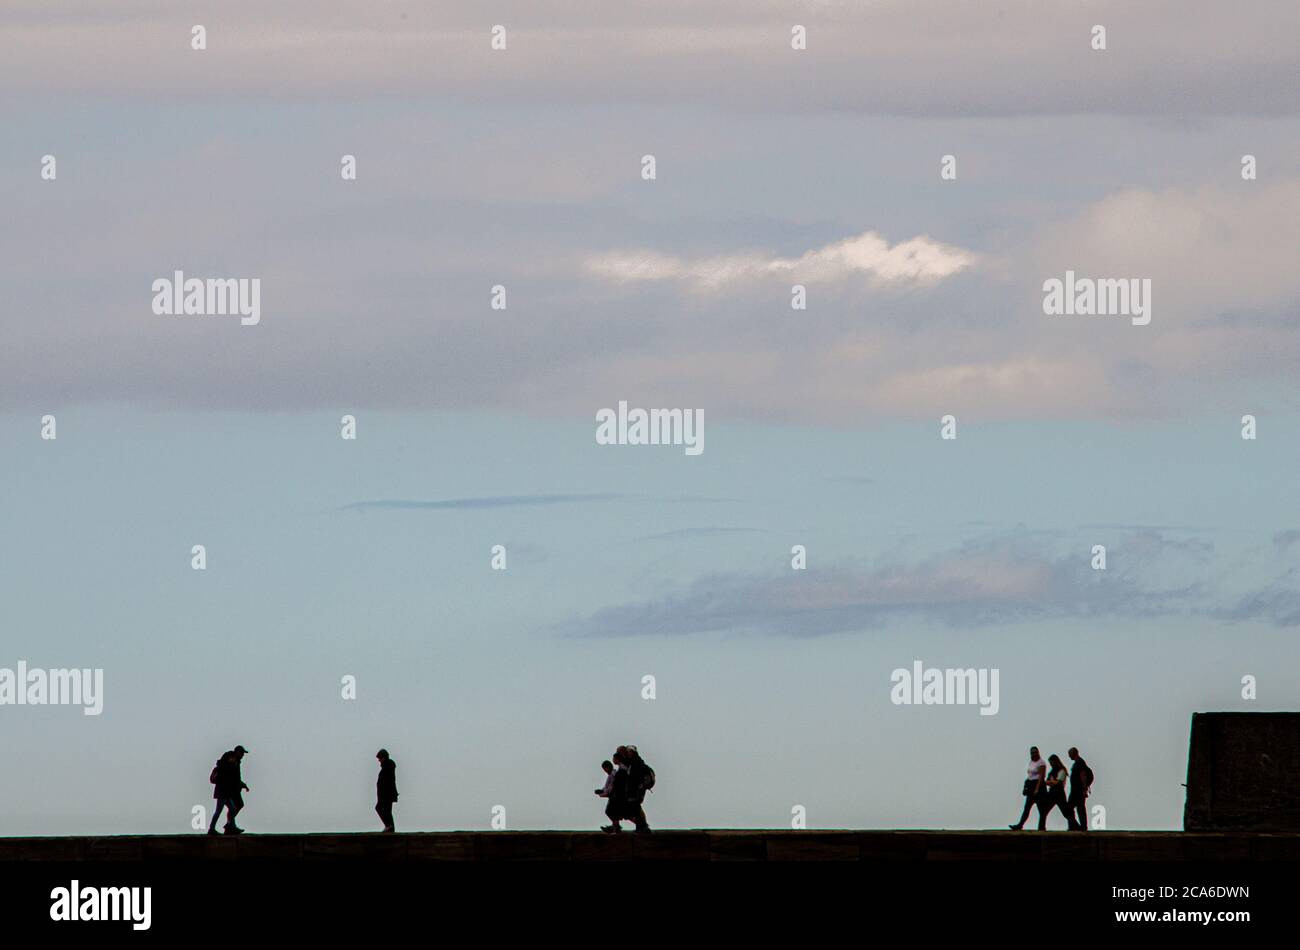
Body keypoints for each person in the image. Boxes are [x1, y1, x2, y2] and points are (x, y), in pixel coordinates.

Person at [208, 745, 250, 835]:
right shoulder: (228, 760)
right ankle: (212, 829)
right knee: (219, 810)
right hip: (222, 790)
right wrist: (230, 764)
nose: (243, 755)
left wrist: (243, 785)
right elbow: (224, 772)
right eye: (242, 753)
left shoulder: (236, 762)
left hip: (227, 791)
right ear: (237, 752)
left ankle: (231, 826)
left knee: (232, 808)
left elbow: (235, 778)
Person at [1009, 746, 1046, 830]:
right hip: (1030, 785)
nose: (1034, 754)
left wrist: (1037, 788)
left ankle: (1041, 827)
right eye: (1032, 753)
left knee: (1041, 809)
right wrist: (1025, 787)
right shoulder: (1031, 762)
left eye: (1035, 752)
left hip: (1038, 786)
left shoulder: (1041, 763)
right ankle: (1020, 825)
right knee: (1027, 808)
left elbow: (1041, 777)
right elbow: (1030, 775)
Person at [622, 745, 653, 833]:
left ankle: (643, 827)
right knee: (635, 807)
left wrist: (638, 787)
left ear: (633, 752)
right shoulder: (633, 762)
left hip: (637, 789)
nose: (628, 754)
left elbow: (635, 778)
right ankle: (641, 827)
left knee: (636, 807)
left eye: (629, 752)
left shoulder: (637, 763)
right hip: (636, 789)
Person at [1036, 754, 1070, 830]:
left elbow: (1057, 782)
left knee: (1066, 811)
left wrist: (1051, 781)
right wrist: (1051, 781)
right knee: (1044, 810)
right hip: (1052, 793)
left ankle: (1074, 825)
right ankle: (1041, 827)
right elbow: (1049, 781)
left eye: (1051, 762)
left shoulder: (1062, 770)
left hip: (1059, 793)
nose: (1051, 764)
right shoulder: (1054, 771)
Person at [600, 750, 629, 833]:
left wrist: (604, 792)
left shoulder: (616, 772)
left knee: (611, 811)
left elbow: (612, 785)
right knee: (614, 812)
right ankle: (615, 826)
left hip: (616, 795)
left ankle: (616, 827)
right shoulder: (615, 772)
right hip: (615, 794)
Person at [1066, 747, 1092, 831]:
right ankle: (1076, 826)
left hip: (1078, 790)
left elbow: (1083, 775)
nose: (1069, 756)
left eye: (1070, 754)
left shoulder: (1080, 762)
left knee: (1078, 808)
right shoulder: (1077, 762)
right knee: (1073, 808)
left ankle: (1080, 827)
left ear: (1074, 753)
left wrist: (1084, 788)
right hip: (1075, 790)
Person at [375, 749, 399, 833]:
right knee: (387, 810)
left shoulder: (388, 767)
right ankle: (390, 827)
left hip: (386, 794)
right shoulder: (387, 767)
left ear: (384, 757)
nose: (379, 760)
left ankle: (389, 826)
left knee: (382, 809)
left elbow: (387, 782)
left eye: (380, 758)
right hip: (386, 793)